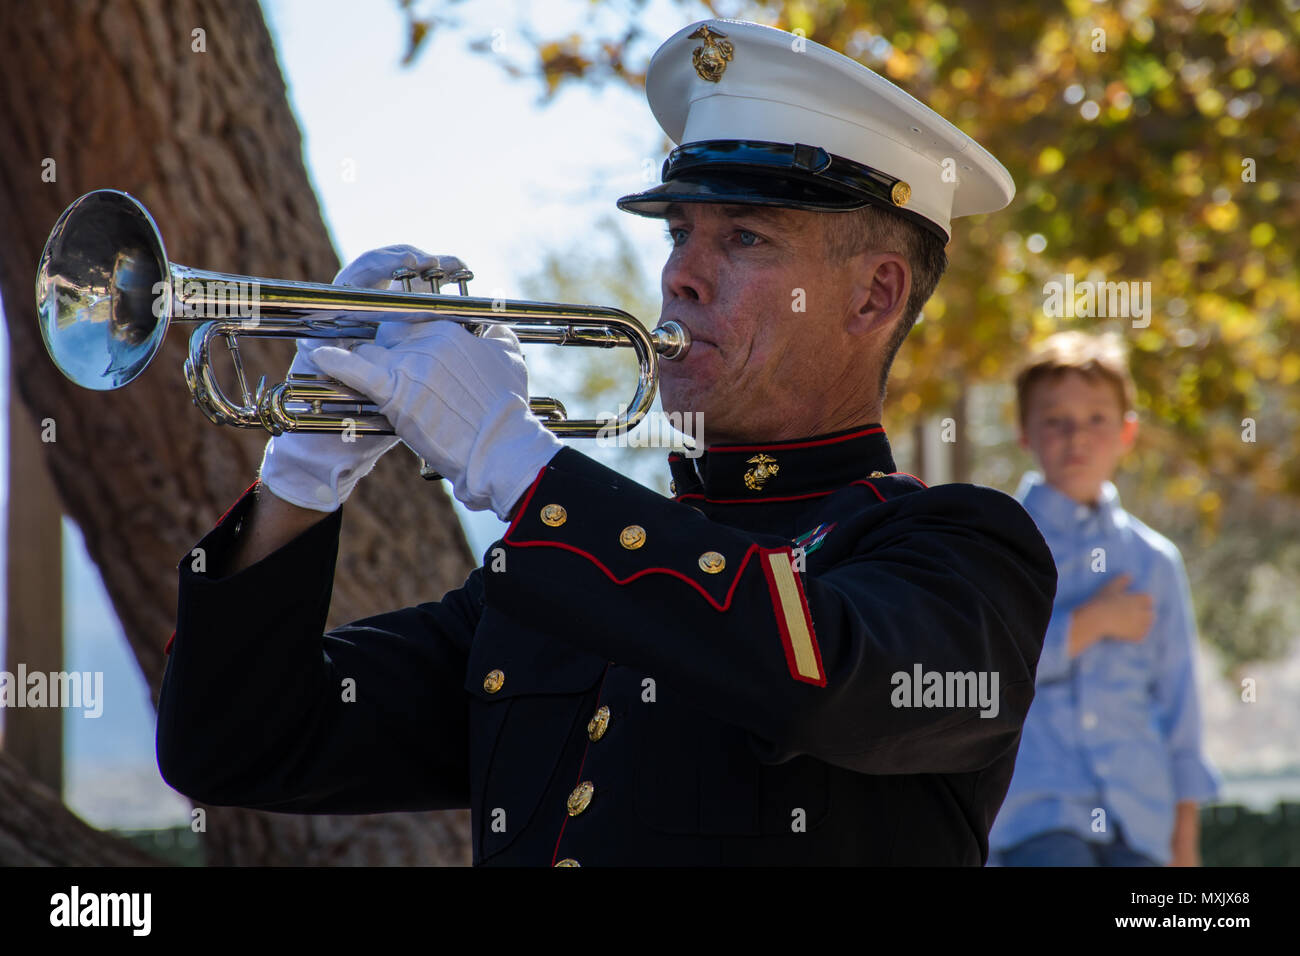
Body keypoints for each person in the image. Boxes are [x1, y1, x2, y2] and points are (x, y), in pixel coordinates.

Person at [156, 18, 1057, 865]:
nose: (681, 276)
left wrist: (514, 462)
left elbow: (821, 677)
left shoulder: (962, 550)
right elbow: (236, 743)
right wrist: (305, 478)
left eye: (744, 238)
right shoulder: (549, 579)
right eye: (678, 234)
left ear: (875, 296)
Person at [988, 330, 1221, 866]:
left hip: (1141, 823)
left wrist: (1184, 850)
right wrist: (1084, 626)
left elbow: (1181, 708)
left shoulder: (1154, 561)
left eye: (1096, 419)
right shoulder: (998, 545)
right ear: (1025, 432)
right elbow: (986, 675)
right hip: (1036, 822)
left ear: (1127, 431)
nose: (1078, 438)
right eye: (1056, 422)